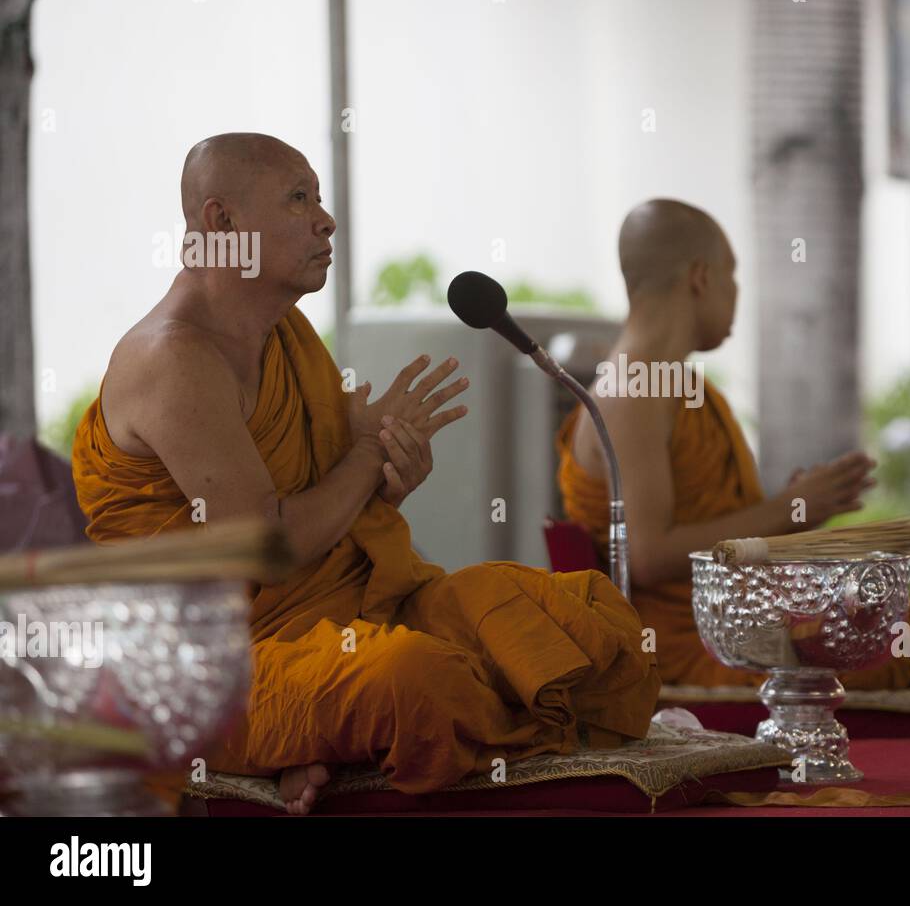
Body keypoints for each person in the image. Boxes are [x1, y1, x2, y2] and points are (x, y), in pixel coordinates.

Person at [72, 133, 659, 814]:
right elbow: (272, 542)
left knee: (582, 616)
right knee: (417, 680)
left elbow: (337, 481)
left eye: (320, 198)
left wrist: (390, 469)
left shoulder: (285, 338)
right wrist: (364, 460)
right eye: (299, 199)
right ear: (221, 221)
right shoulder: (171, 360)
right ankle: (312, 737)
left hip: (356, 618)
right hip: (216, 673)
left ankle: (325, 744)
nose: (325, 220)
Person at [556, 199, 910, 688]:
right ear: (701, 277)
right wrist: (789, 508)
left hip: (745, 627)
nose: (737, 292)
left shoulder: (669, 384)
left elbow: (710, 531)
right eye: (733, 275)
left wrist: (796, 515)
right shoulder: (634, 388)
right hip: (701, 650)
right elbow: (647, 556)